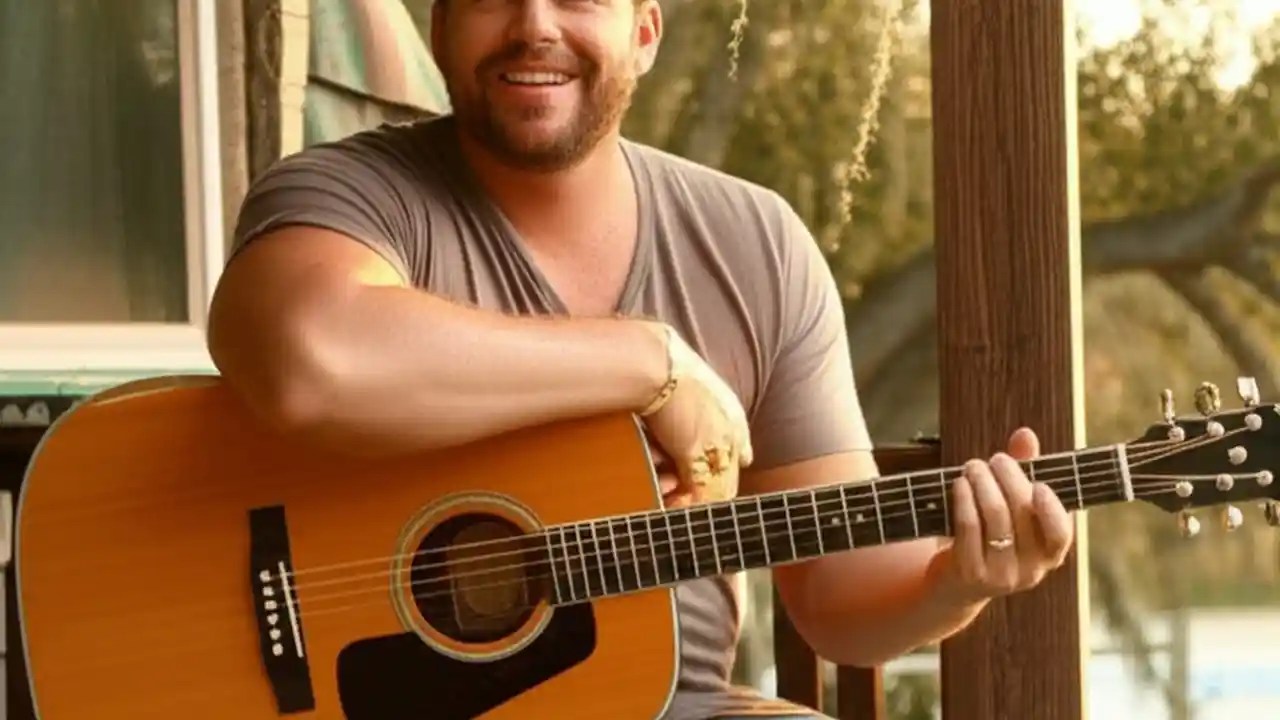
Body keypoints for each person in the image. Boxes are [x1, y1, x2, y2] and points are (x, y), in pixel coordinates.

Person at [206, 1, 1075, 718]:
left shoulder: (754, 245)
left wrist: (955, 582)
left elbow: (838, 600)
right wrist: (652, 361)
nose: (534, 25)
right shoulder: (347, 195)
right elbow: (308, 358)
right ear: (440, 25)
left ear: (644, 31)